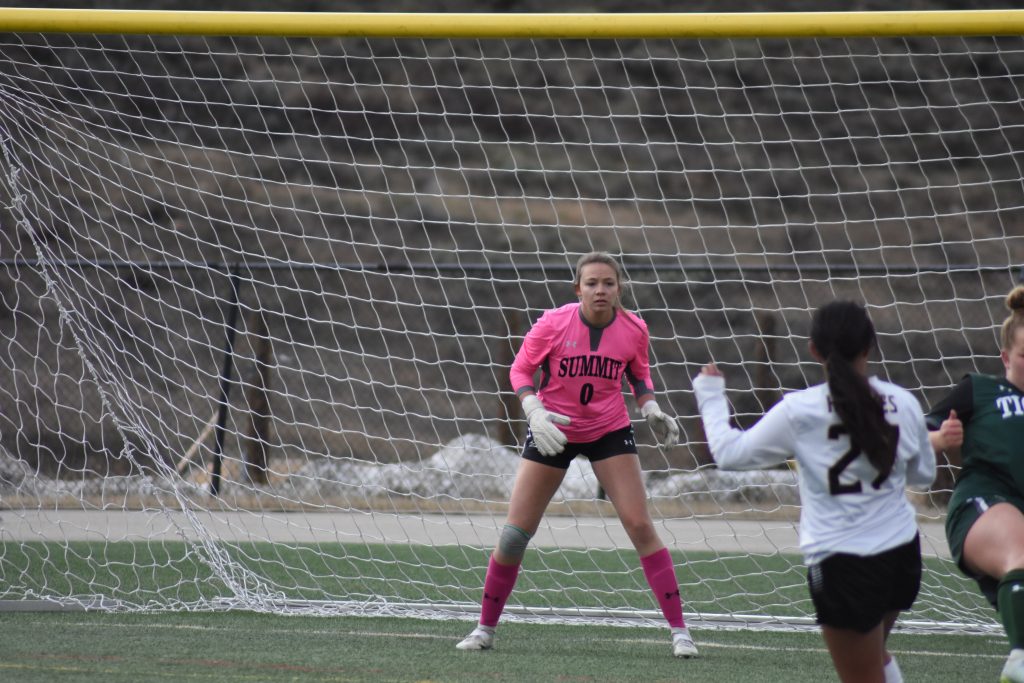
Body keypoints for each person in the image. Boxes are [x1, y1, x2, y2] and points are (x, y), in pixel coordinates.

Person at [455, 251, 697, 658]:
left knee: (639, 525)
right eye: (592, 283)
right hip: (553, 430)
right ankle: (484, 629)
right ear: (577, 289)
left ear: (619, 288)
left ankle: (680, 632)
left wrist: (650, 406)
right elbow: (519, 370)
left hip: (608, 431)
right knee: (514, 535)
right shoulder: (553, 323)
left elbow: (639, 374)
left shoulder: (635, 328)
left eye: (608, 283)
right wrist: (533, 410)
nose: (600, 290)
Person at [692, 300, 935, 683]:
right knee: (876, 660)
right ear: (869, 346)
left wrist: (709, 393)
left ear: (813, 349)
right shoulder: (904, 402)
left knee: (864, 673)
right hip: (902, 555)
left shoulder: (800, 410)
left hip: (844, 561)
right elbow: (923, 477)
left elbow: (728, 452)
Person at [926, 284, 1024, 683]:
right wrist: (939, 438)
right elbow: (914, 437)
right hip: (985, 501)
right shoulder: (980, 390)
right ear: (1006, 357)